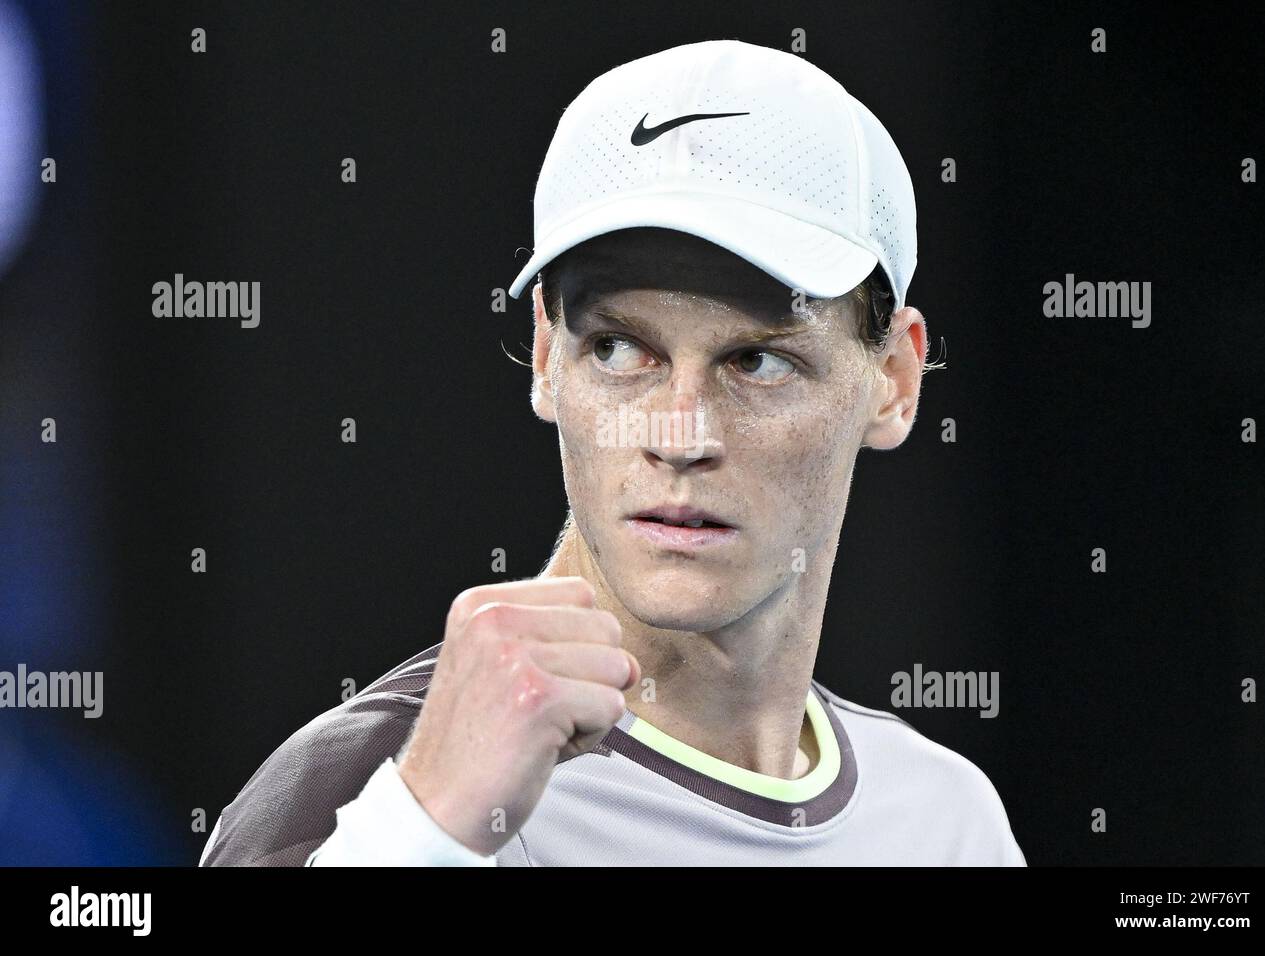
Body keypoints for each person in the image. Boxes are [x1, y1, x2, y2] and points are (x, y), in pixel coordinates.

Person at [200, 38, 1026, 867]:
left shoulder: (946, 819)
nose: (679, 436)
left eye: (757, 361)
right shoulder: (367, 791)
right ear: (548, 359)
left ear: (893, 380)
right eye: (620, 350)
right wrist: (425, 836)